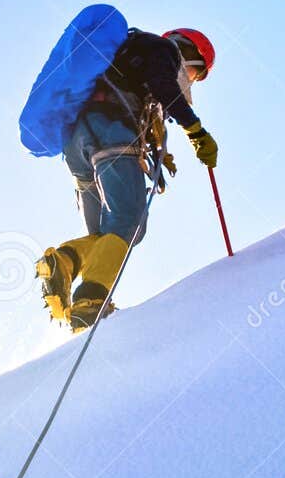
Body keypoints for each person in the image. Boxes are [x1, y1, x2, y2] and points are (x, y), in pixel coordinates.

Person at [36, 27, 218, 331]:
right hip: (111, 130)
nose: (191, 80)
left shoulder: (128, 55)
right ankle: (90, 301)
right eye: (196, 74)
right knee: (129, 222)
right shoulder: (164, 50)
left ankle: (65, 263)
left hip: (78, 143)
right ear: (191, 55)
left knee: (105, 236)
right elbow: (165, 88)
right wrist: (196, 131)